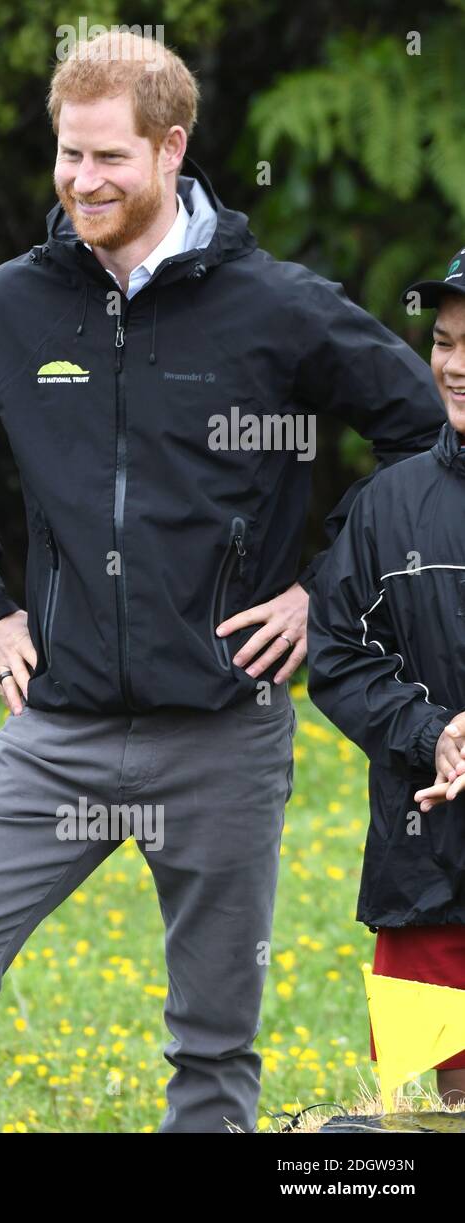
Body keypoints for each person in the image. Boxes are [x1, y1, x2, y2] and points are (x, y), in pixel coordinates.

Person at [0, 31, 443, 1133]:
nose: (81, 182)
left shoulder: (278, 307)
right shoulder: (7, 307)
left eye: (108, 159)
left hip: (224, 729)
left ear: (171, 147)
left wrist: (317, 595)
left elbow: (421, 433)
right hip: (58, 727)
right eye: (66, 155)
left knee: (213, 1043)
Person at [308, 248, 465, 1107]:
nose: (456, 364)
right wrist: (434, 731)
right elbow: (335, 654)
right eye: (444, 341)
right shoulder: (387, 505)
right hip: (422, 880)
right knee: (418, 1123)